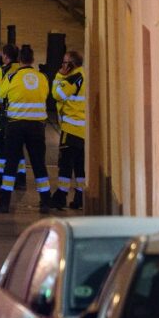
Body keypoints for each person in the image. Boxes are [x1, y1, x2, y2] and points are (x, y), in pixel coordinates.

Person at [0, 46, 52, 214]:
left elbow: (1, 95)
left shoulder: (11, 76)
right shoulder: (42, 77)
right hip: (37, 126)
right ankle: (45, 201)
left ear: (19, 60)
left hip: (16, 125)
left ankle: (4, 203)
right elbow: (45, 95)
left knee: (11, 164)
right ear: (32, 60)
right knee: (39, 164)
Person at [52, 51, 87, 210]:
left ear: (71, 64)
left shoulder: (73, 78)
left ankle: (61, 196)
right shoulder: (84, 75)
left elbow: (57, 94)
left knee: (65, 164)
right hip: (82, 130)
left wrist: (59, 75)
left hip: (71, 129)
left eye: (65, 62)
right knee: (80, 165)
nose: (62, 65)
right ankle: (80, 197)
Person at [0, 44, 25, 190]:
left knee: (0, 145)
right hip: (17, 113)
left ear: (5, 56)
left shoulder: (1, 71)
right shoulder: (20, 69)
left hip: (1, 113)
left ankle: (1, 175)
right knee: (17, 146)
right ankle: (21, 177)